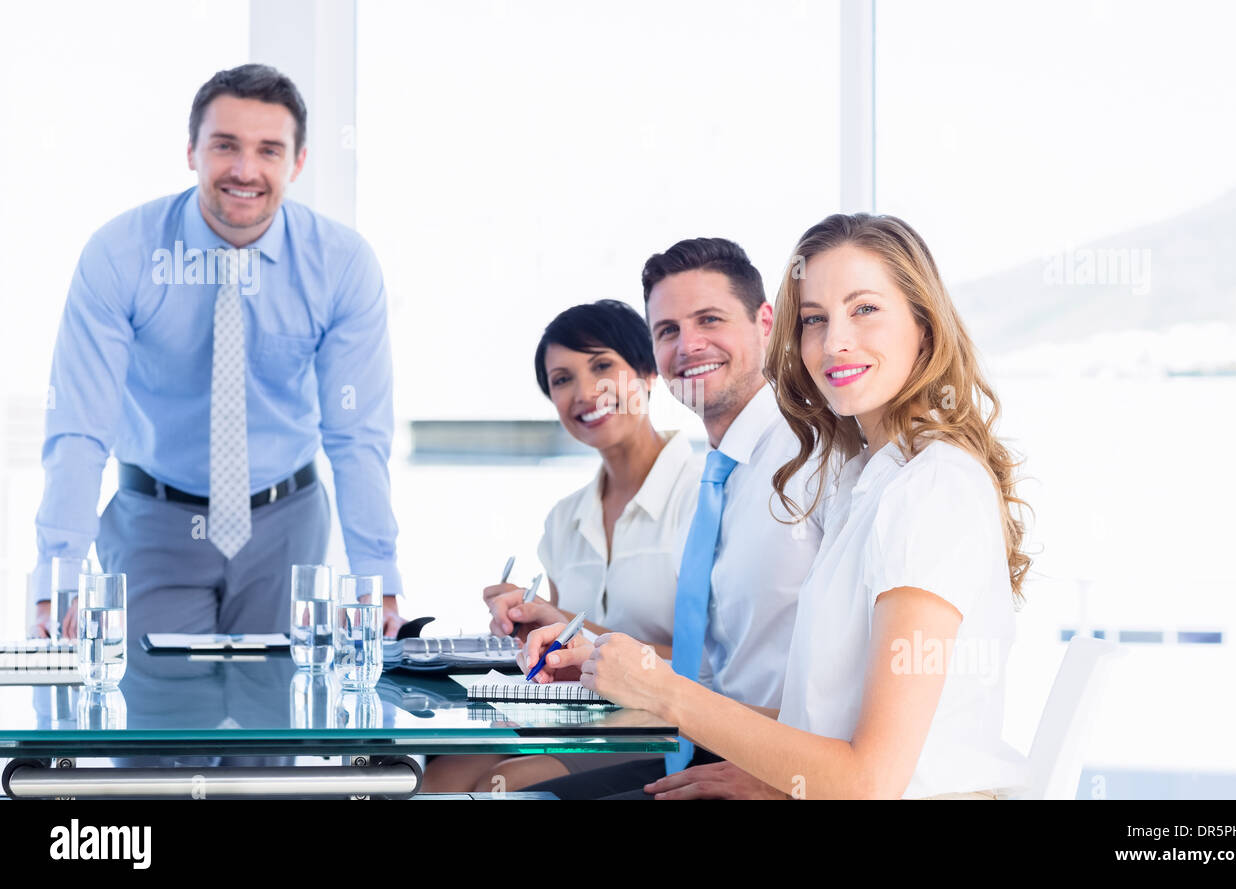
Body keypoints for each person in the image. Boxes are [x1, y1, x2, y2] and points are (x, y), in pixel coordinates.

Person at [562, 213, 1033, 799]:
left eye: (864, 309)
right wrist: (776, 776)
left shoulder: (930, 489)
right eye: (815, 319)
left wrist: (663, 691)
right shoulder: (872, 477)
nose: (835, 340)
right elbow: (837, 735)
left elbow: (870, 782)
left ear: (925, 323)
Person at [30, 64, 404, 647]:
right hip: (153, 521)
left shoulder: (341, 264)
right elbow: (80, 428)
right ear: (191, 151)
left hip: (287, 528)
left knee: (275, 731)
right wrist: (59, 573)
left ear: (298, 162)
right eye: (225, 146)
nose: (245, 170)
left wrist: (374, 577)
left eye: (269, 150)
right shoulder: (120, 254)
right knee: (156, 731)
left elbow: (357, 436)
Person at [519, 237, 827, 799]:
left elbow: (862, 668)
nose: (689, 345)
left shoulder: (813, 457)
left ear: (766, 323)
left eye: (709, 319)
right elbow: (712, 660)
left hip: (777, 759)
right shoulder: (726, 476)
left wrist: (789, 778)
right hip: (709, 741)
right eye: (668, 331)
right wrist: (588, 654)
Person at [421, 300, 701, 792]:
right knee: (437, 775)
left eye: (601, 367)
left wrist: (563, 621)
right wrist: (536, 635)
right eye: (561, 379)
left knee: (503, 781)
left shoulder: (700, 497)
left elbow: (710, 665)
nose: (585, 392)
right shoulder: (563, 519)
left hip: (673, 728)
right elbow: (566, 653)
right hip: (584, 720)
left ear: (647, 373)